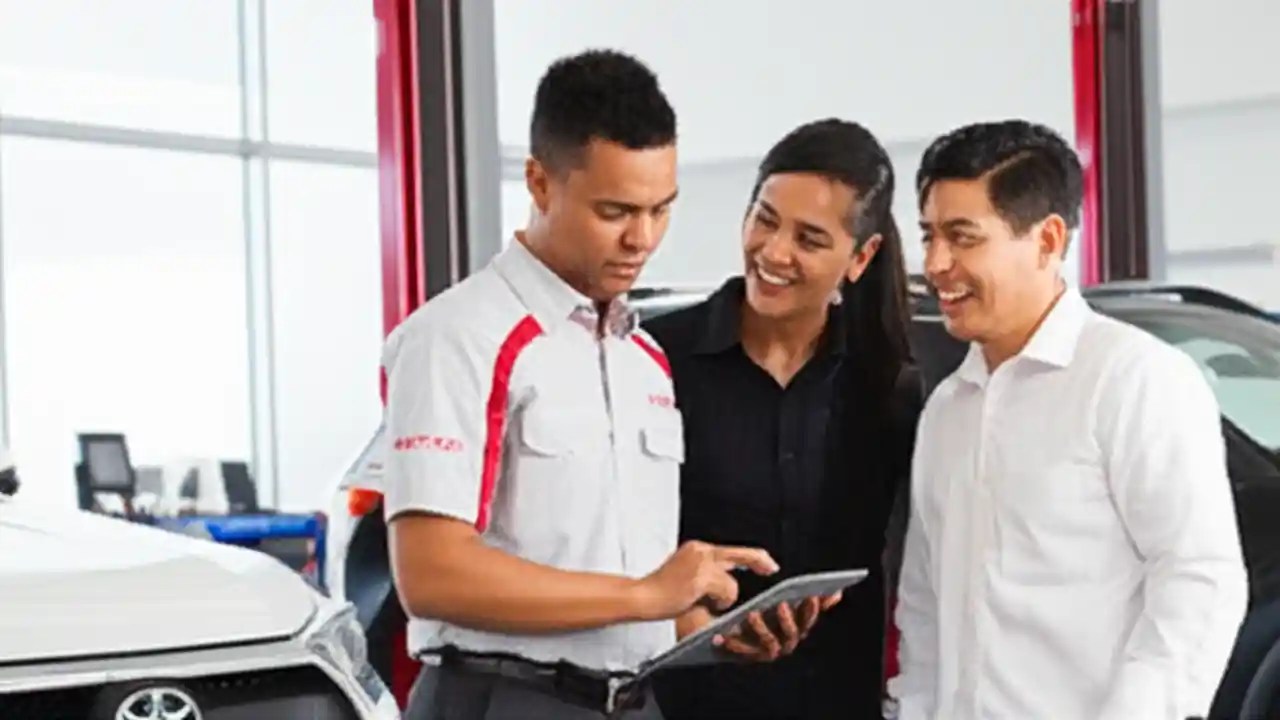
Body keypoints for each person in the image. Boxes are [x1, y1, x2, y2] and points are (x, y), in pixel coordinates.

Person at [383, 49, 777, 720]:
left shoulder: (642, 357)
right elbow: (431, 574)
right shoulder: (457, 336)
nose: (642, 238)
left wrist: (697, 621)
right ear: (539, 183)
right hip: (502, 701)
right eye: (615, 211)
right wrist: (646, 596)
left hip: (632, 701)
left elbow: (617, 585)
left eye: (661, 210)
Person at [891, 119, 1248, 720]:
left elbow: (1198, 580)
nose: (936, 263)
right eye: (929, 236)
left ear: (1048, 239)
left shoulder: (1133, 378)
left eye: (962, 237)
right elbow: (925, 606)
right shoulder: (948, 408)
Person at [644, 118, 923, 720]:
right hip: (681, 702)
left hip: (837, 702)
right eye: (765, 220)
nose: (774, 252)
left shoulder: (889, 387)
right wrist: (679, 615)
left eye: (810, 239)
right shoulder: (653, 360)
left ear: (861, 256)